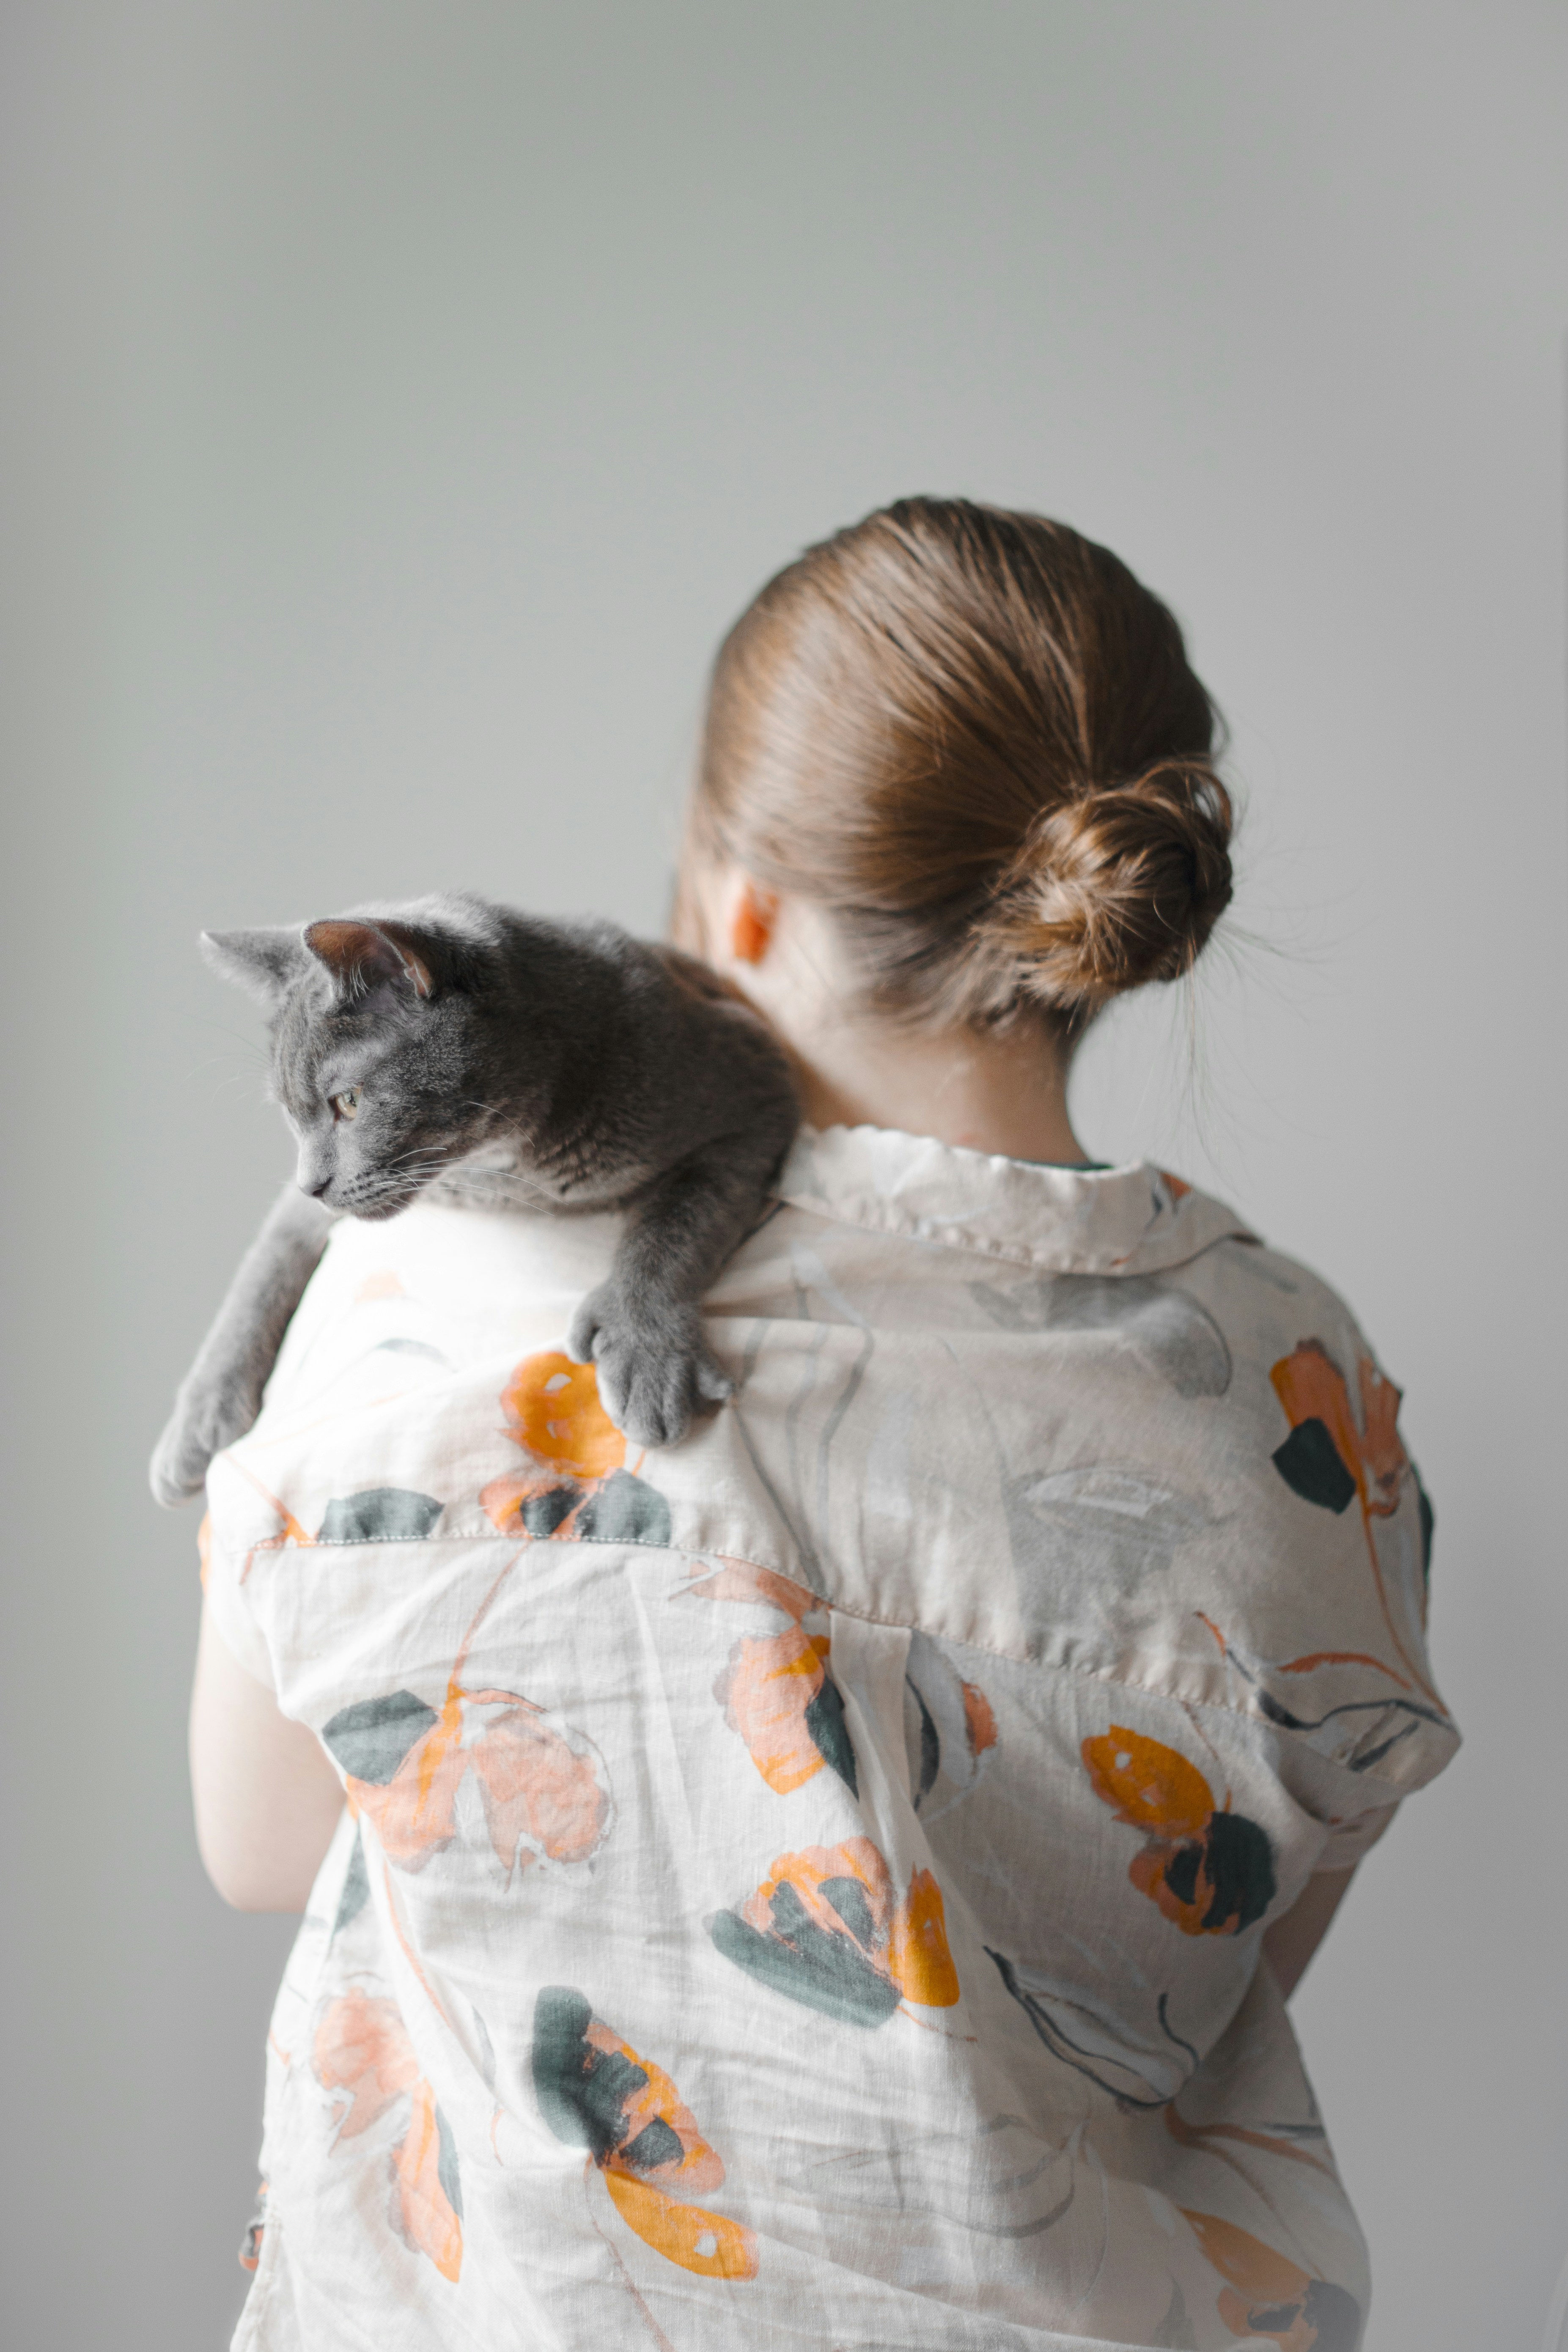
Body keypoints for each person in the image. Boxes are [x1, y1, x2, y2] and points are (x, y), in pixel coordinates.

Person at [193, 499, 1455, 2351]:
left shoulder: (425, 1293)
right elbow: (1214, 1976)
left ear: (740, 905)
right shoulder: (1304, 1389)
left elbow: (259, 1839)